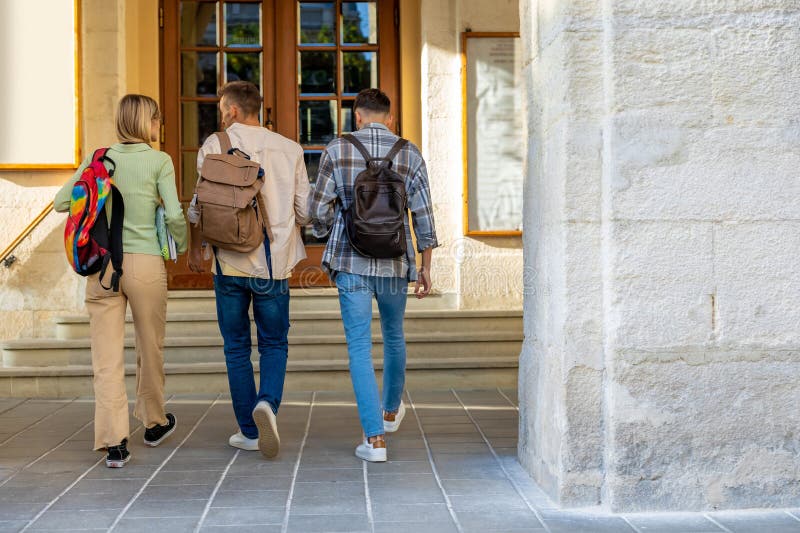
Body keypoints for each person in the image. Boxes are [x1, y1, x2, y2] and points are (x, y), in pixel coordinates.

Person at [54, 94, 188, 468]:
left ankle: (114, 443)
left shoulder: (99, 159)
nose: (159, 127)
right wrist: (183, 244)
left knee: (107, 358)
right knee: (150, 347)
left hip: (103, 269)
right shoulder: (160, 161)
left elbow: (61, 203)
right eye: (157, 121)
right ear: (148, 123)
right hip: (145, 264)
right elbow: (175, 215)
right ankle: (154, 422)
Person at [308, 88, 438, 462]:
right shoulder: (409, 153)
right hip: (396, 261)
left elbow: (318, 210)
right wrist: (425, 267)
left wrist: (330, 230)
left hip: (351, 261)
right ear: (390, 118)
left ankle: (375, 440)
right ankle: (390, 412)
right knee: (394, 335)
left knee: (359, 348)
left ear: (357, 116)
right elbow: (424, 216)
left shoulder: (337, 149)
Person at [187, 81, 311, 458]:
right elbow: (305, 211)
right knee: (274, 342)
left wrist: (198, 247)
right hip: (273, 267)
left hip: (228, 263)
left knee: (236, 347)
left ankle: (248, 430)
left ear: (234, 110)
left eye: (224, 108)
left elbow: (199, 207)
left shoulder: (214, 145)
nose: (222, 114)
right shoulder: (290, 149)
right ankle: (267, 404)